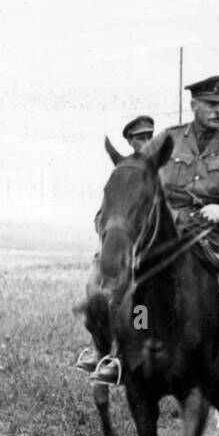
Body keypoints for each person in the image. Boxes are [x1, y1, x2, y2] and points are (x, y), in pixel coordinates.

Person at [120, 75, 219, 387]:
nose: (218, 110)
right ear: (194, 105)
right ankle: (129, 346)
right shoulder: (168, 139)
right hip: (170, 227)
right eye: (211, 104)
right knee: (138, 277)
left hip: (215, 233)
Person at [76, 114, 157, 379]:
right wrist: (108, 232)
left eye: (149, 136)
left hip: (145, 252)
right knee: (93, 289)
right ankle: (98, 349)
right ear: (130, 141)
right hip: (114, 249)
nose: (145, 142)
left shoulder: (160, 170)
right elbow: (102, 215)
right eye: (139, 138)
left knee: (137, 295)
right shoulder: (121, 172)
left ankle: (133, 347)